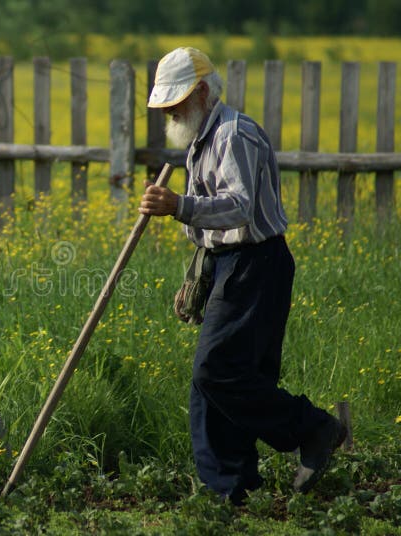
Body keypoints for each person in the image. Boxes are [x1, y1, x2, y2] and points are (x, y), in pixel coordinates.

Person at [138, 47, 346, 505]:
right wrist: (197, 274)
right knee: (213, 381)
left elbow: (239, 207)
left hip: (258, 265)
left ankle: (314, 428)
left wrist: (177, 206)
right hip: (229, 265)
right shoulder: (201, 142)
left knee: (219, 371)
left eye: (176, 102)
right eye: (167, 105)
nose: (170, 112)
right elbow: (208, 226)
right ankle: (230, 489)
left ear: (204, 92)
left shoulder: (235, 134)